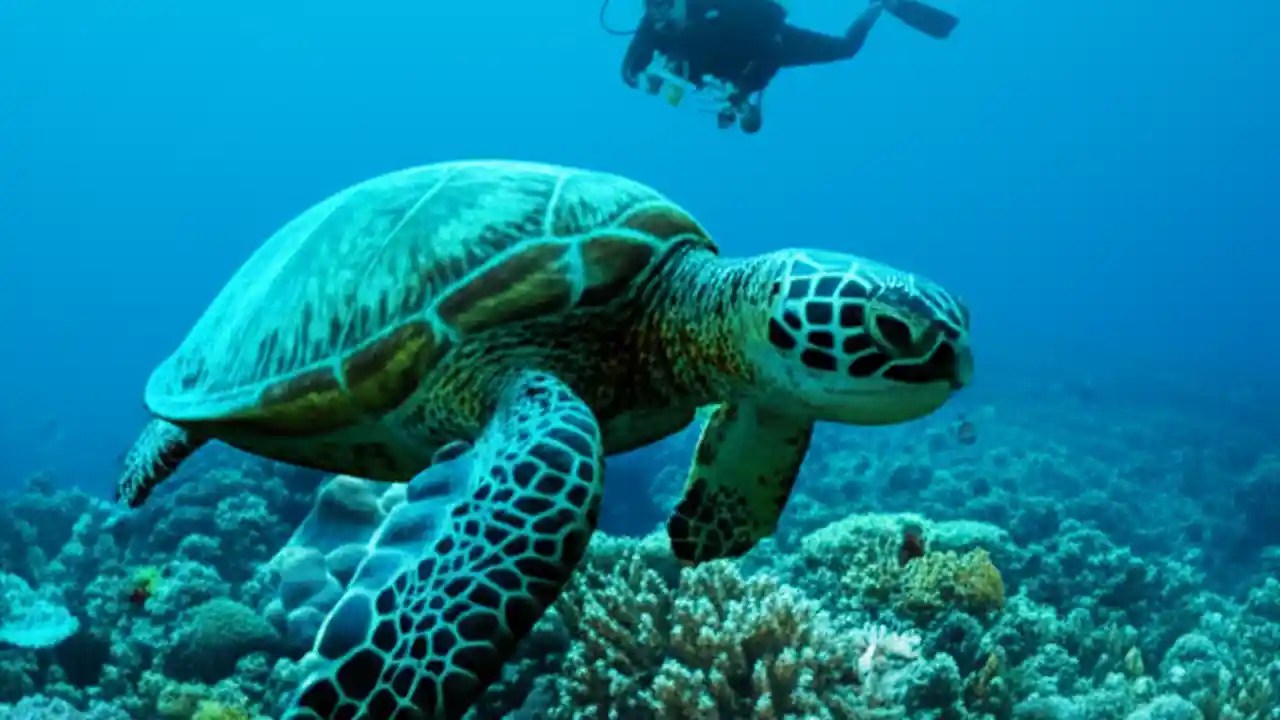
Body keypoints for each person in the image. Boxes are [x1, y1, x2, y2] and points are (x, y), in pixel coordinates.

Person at [616, 0, 957, 133]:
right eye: (649, 4)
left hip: (771, 43)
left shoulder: (718, 9)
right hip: (728, 76)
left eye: (664, 3)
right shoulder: (655, 25)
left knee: (846, 48)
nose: (657, 13)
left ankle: (881, 5)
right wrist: (638, 75)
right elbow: (632, 64)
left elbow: (770, 46)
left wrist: (746, 88)